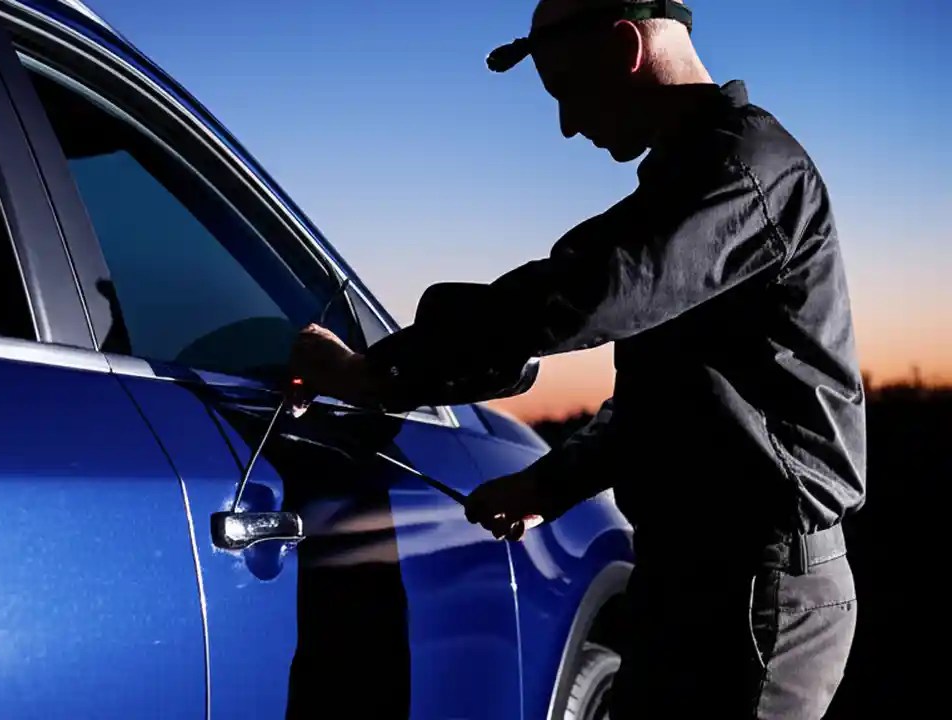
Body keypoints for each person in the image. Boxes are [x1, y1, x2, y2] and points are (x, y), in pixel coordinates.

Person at [287, 1, 866, 718]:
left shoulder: (744, 172)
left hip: (756, 593)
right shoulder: (694, 183)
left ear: (626, 46)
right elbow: (674, 403)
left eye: (567, 92)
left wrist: (377, 375)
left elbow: (588, 292)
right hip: (696, 583)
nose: (567, 125)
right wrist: (548, 486)